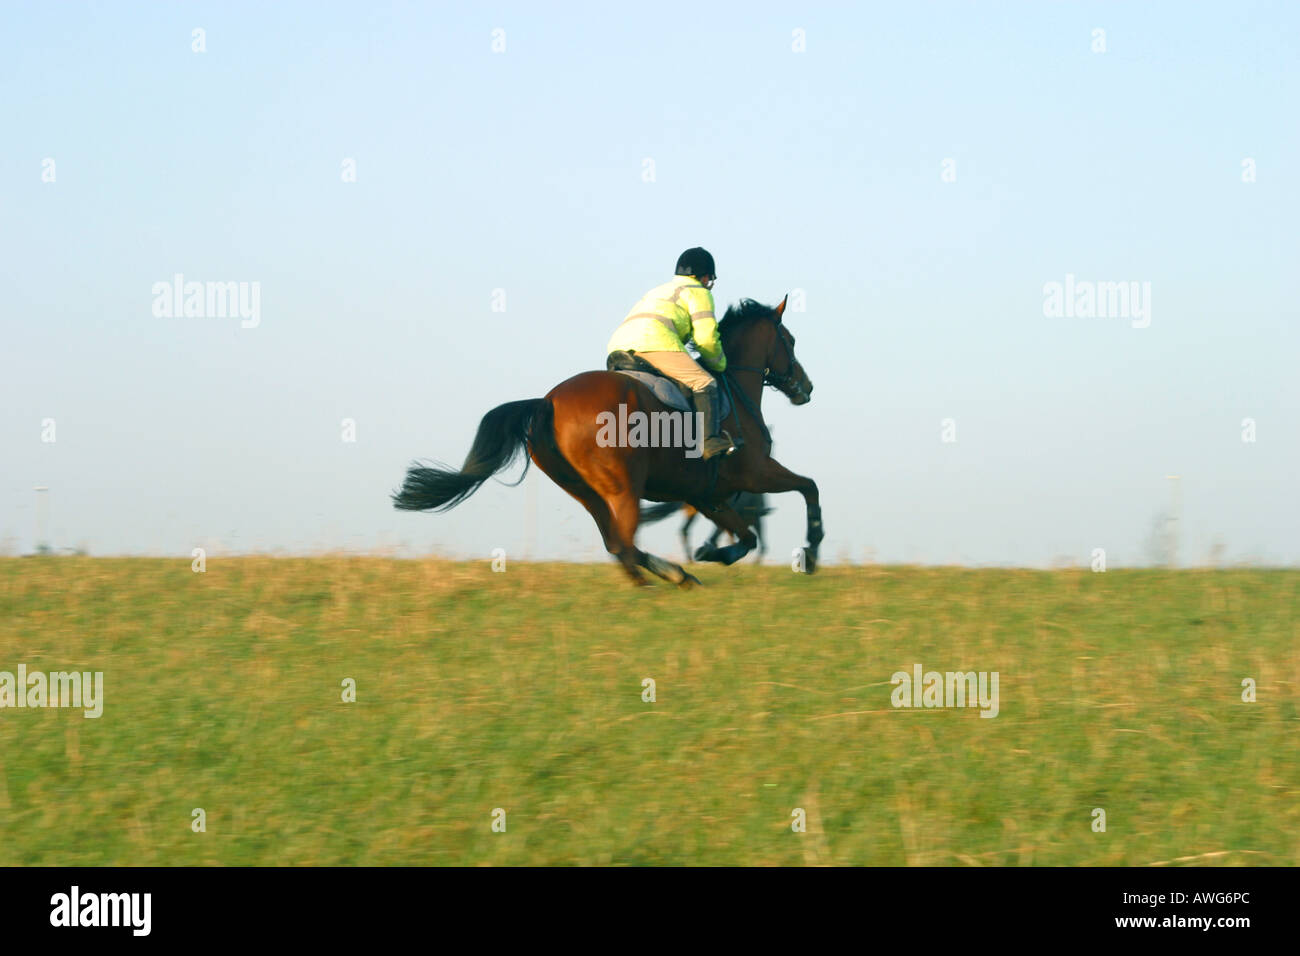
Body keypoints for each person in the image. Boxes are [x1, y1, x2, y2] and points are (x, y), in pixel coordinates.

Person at [606, 247, 735, 460]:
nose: (708, 285)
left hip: (618, 345)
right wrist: (720, 364)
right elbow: (706, 341)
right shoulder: (700, 293)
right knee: (704, 382)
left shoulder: (660, 290)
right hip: (654, 343)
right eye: (709, 280)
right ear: (704, 277)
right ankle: (709, 442)